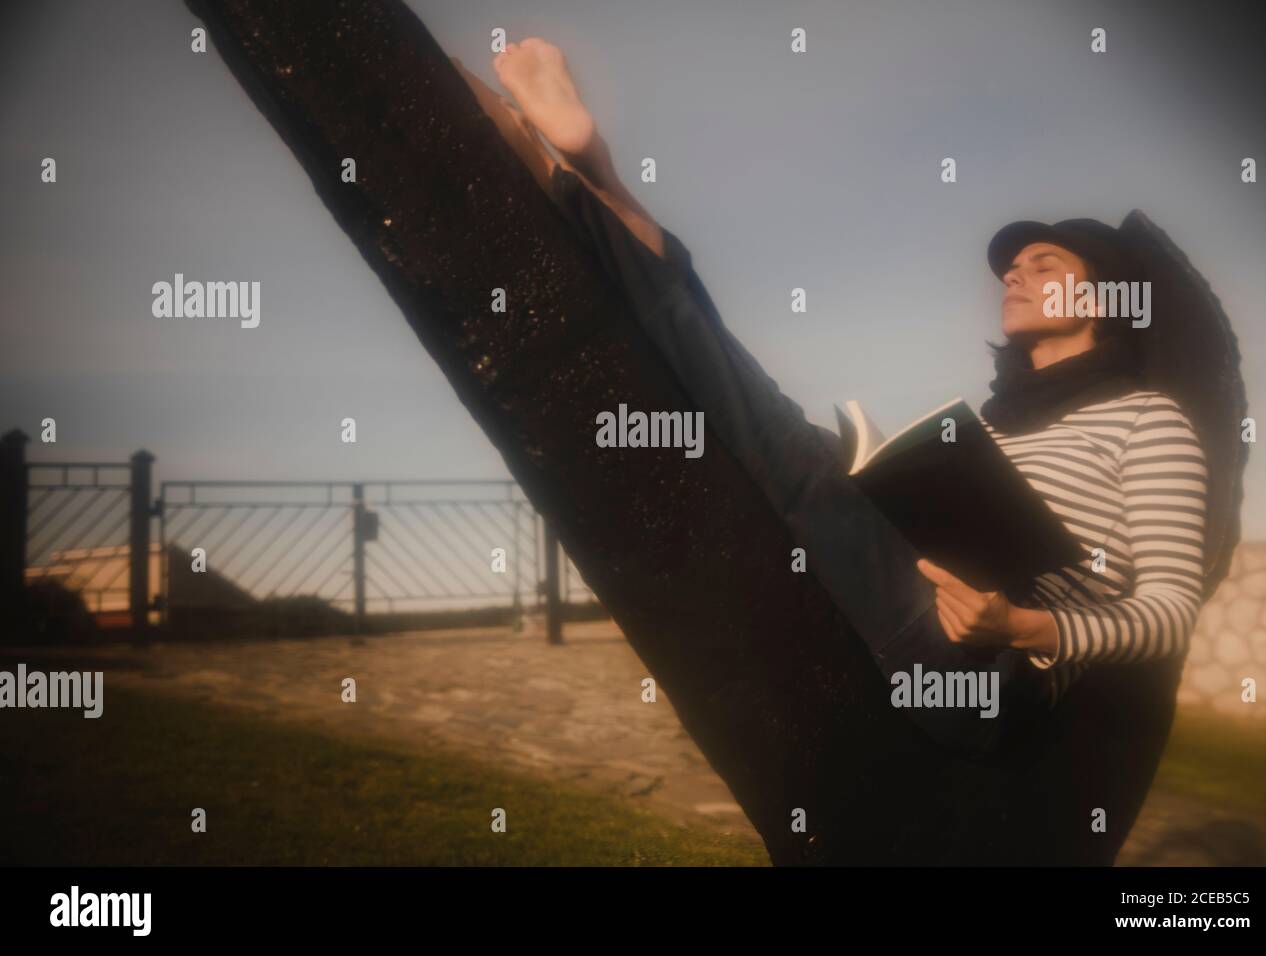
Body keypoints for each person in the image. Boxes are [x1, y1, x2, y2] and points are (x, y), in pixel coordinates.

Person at [452, 39, 1214, 759]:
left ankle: (580, 175)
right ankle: (590, 177)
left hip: (985, 678)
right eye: (1010, 267)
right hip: (899, 591)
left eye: (1043, 264)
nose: (1014, 274)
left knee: (772, 430)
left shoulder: (1149, 420)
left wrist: (1023, 625)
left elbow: (1171, 612)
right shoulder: (993, 423)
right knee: (770, 421)